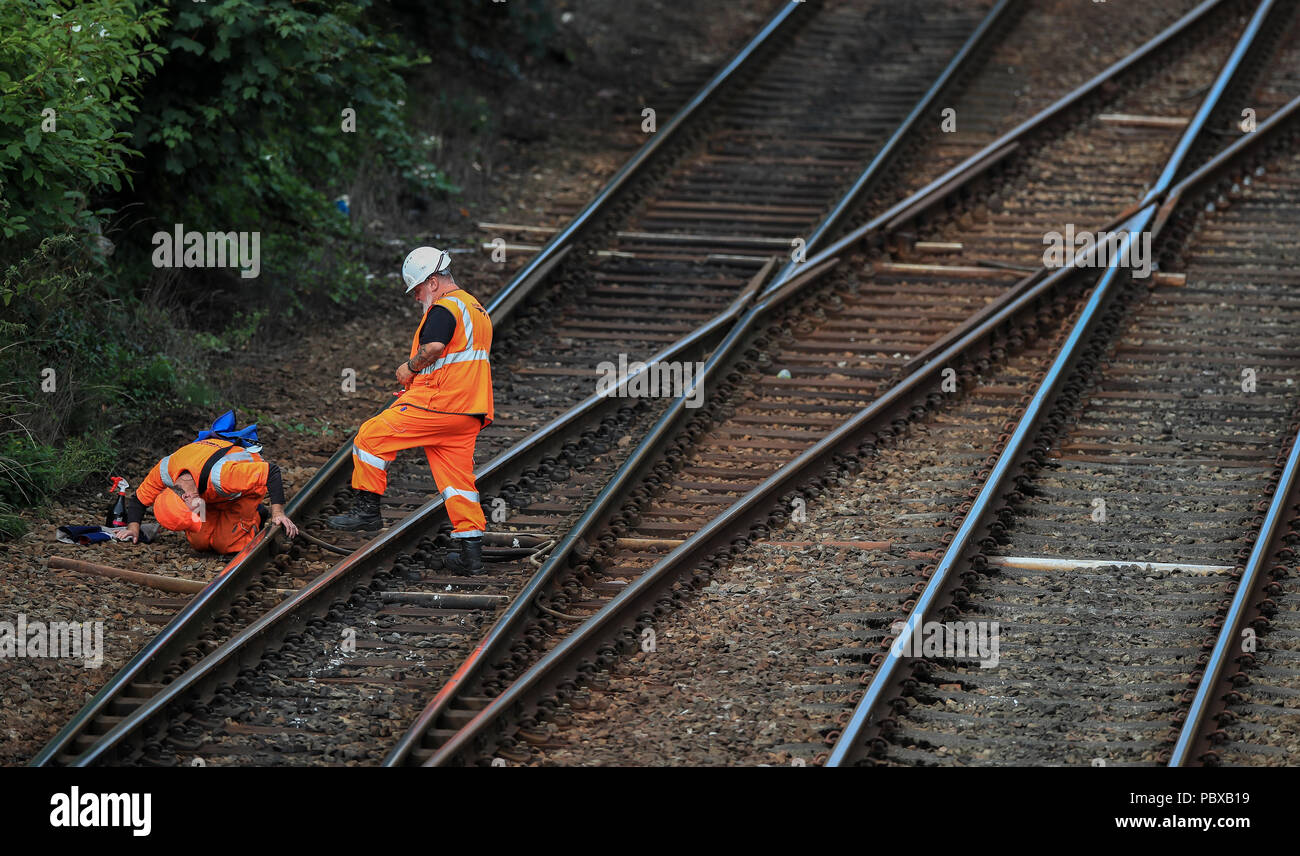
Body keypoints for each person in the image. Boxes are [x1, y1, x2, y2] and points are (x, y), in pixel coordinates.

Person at [327, 246, 492, 574]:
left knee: (370, 437)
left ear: (432, 282)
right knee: (457, 481)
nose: (417, 297)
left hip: (441, 403)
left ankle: (366, 510)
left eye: (417, 289)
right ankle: (470, 556)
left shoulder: (444, 307)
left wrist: (409, 369)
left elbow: (433, 348)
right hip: (469, 411)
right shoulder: (476, 308)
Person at [121, 410, 298, 553]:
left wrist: (278, 513)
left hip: (239, 492)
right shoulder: (166, 470)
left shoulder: (224, 475)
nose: (195, 516)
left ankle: (258, 513)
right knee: (200, 543)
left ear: (186, 497)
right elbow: (140, 499)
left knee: (227, 544)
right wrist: (133, 528)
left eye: (192, 514)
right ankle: (217, 521)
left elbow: (272, 471)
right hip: (210, 493)